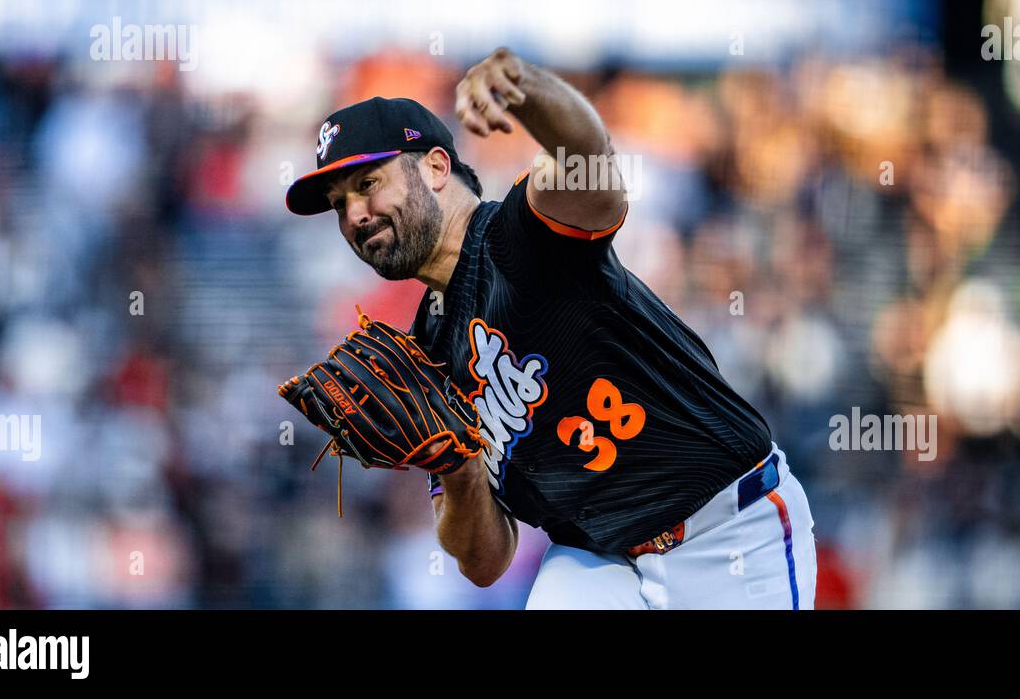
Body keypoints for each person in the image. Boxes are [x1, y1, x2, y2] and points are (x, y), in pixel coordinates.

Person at [284, 48, 816, 609]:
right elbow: (485, 563)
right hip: (596, 558)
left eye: (368, 183)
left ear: (437, 168)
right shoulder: (425, 354)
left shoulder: (520, 237)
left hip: (725, 529)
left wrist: (526, 88)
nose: (354, 216)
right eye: (339, 205)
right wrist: (456, 465)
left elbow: (590, 160)